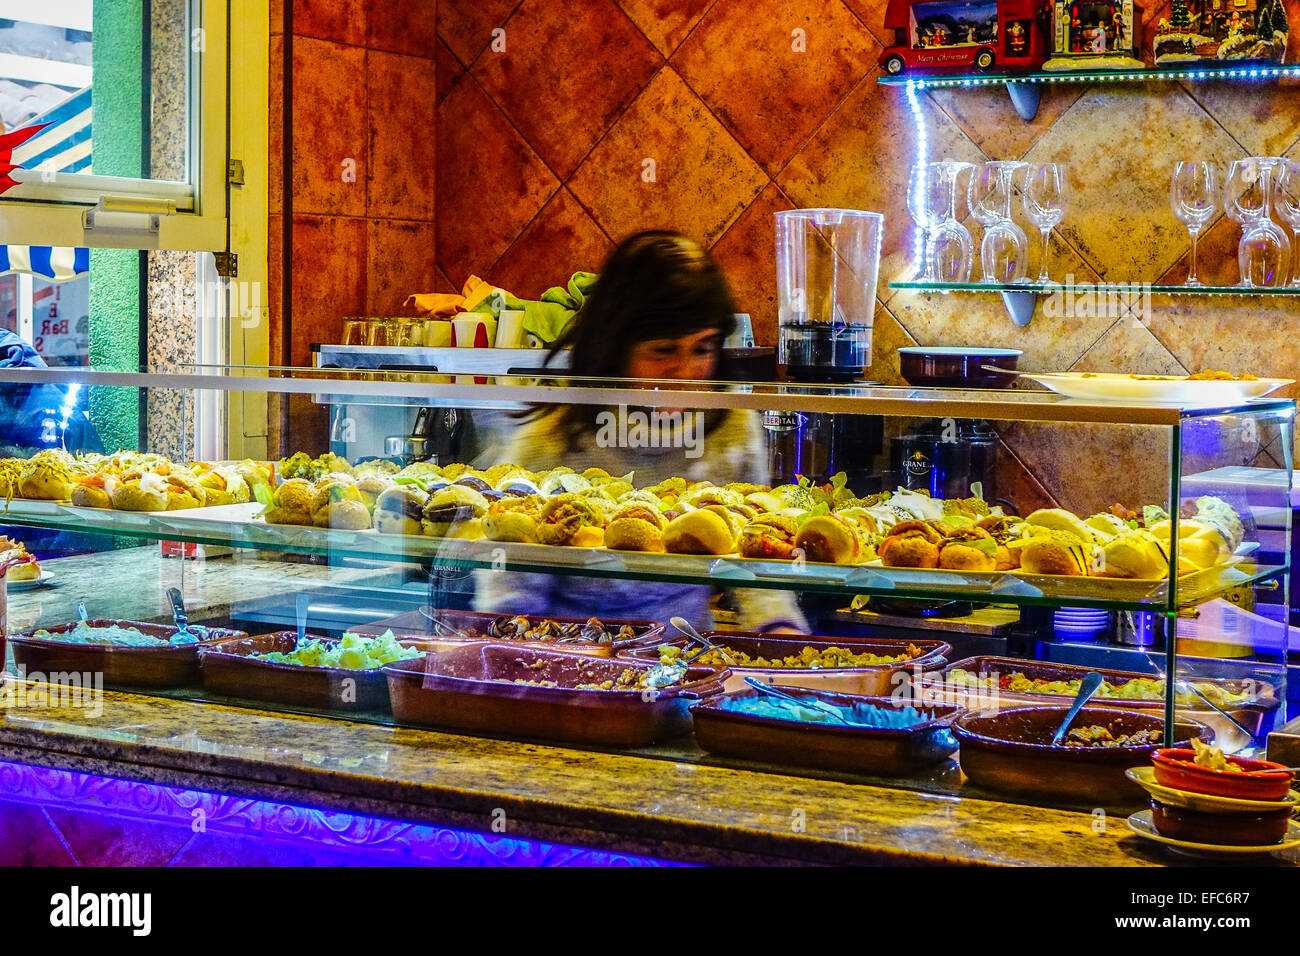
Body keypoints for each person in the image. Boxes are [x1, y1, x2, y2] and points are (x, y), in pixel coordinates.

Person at [471, 230, 807, 633]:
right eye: (663, 350)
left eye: (701, 349)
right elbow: (508, 588)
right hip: (564, 662)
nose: (685, 374)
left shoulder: (729, 421)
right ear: (615, 346)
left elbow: (754, 566)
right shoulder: (557, 431)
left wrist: (779, 634)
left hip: (684, 662)